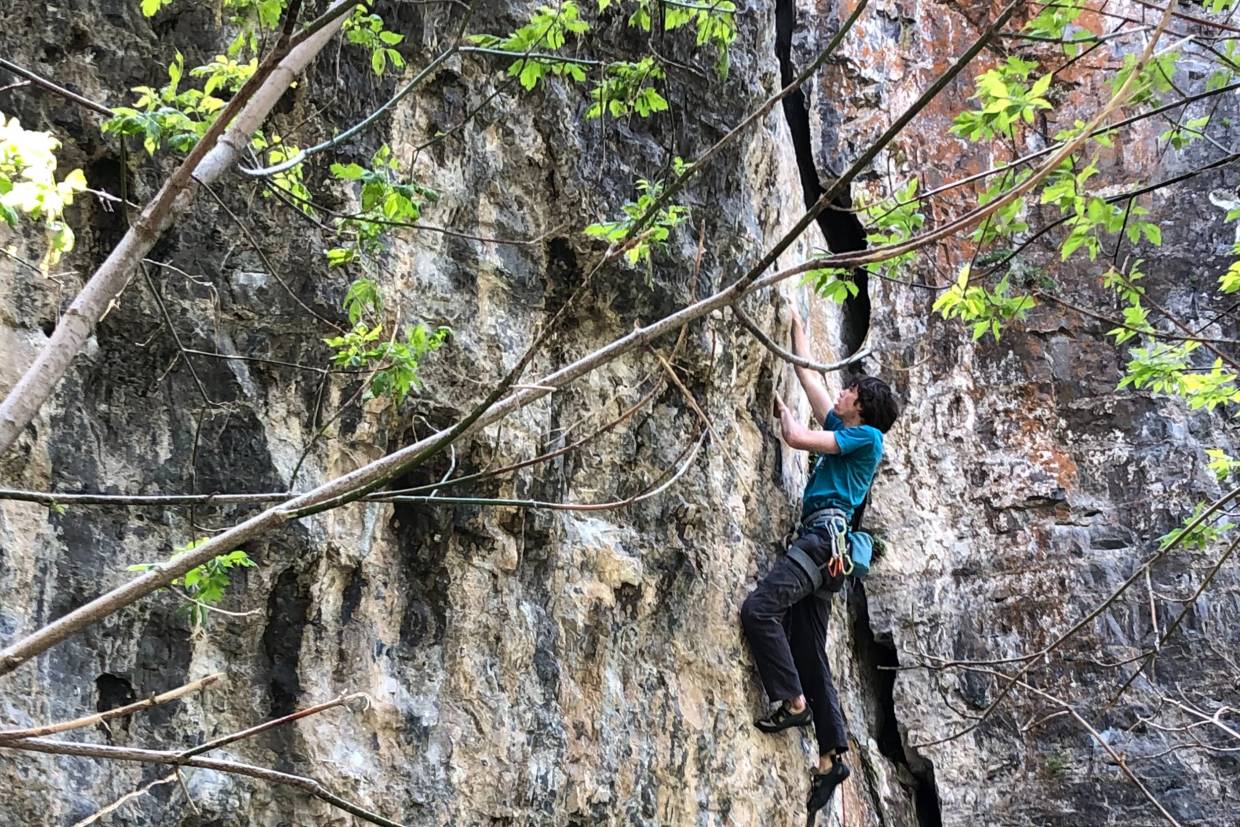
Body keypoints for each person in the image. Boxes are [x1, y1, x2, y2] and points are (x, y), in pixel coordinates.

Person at [740, 311, 899, 818]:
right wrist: (795, 324)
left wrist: (788, 423)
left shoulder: (867, 438)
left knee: (759, 611)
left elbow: (801, 438)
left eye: (850, 391)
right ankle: (832, 756)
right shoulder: (847, 429)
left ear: (862, 406)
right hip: (828, 555)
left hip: (820, 544)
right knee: (810, 650)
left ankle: (794, 703)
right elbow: (810, 377)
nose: (843, 392)